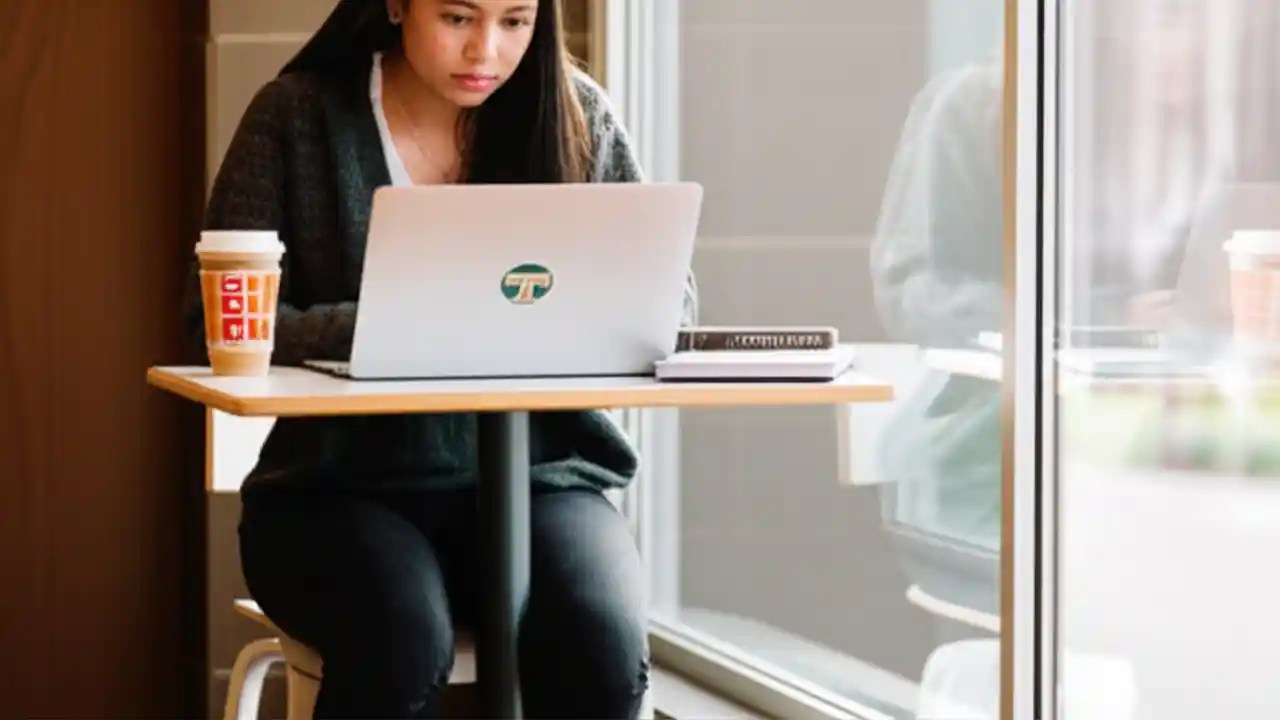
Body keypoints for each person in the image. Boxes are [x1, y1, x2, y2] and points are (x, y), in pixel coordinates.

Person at [183, 1, 696, 717]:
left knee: (601, 649)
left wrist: (450, 323)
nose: (485, 50)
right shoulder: (296, 116)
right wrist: (397, 323)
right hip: (334, 490)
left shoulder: (576, 113)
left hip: (544, 483)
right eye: (458, 17)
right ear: (396, 4)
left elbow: (665, 308)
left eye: (515, 22)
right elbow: (214, 322)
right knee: (400, 638)